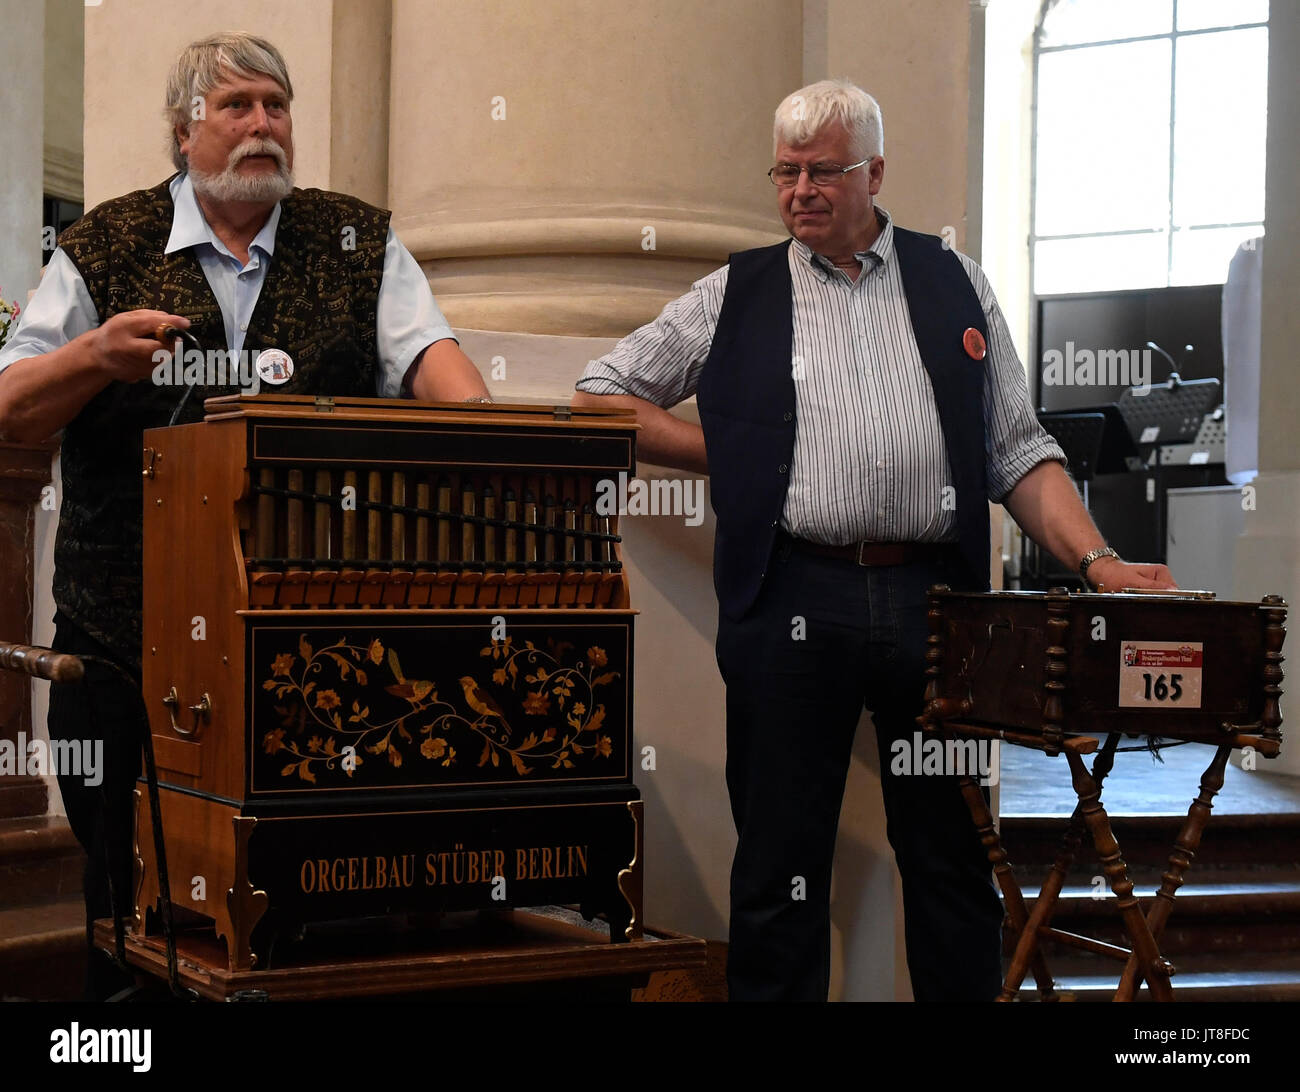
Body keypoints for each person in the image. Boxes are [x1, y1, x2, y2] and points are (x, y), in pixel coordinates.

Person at [573, 79, 1176, 1002]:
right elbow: (600, 395)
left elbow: (1018, 450)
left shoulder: (955, 282)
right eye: (785, 171)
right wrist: (739, 457)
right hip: (790, 600)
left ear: (875, 173)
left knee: (950, 861)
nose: (800, 190)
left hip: (936, 605)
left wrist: (1098, 561)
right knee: (779, 869)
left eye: (823, 171)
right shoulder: (737, 290)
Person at [0, 32, 489, 999]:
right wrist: (96, 356)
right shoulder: (104, 242)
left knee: (293, 907)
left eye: (276, 104)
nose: (264, 124)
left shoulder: (355, 240)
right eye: (237, 107)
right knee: (124, 904)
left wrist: (493, 436)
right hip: (123, 642)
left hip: (314, 649)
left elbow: (435, 362)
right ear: (185, 131)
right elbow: (11, 403)